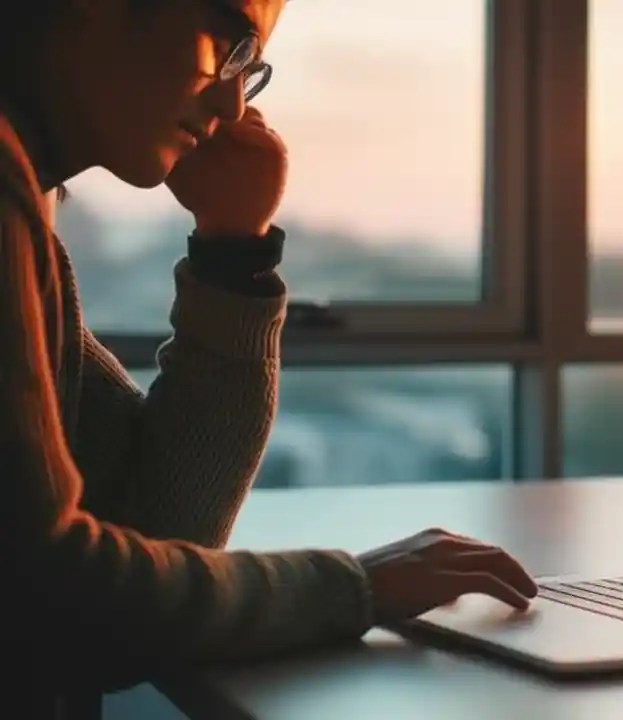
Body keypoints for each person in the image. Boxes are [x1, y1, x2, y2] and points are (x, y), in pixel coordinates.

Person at [0, 0, 539, 713]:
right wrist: (357, 588)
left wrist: (233, 252)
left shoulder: (29, 212)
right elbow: (58, 605)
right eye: (229, 48)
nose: (230, 104)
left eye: (248, 71)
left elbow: (157, 530)